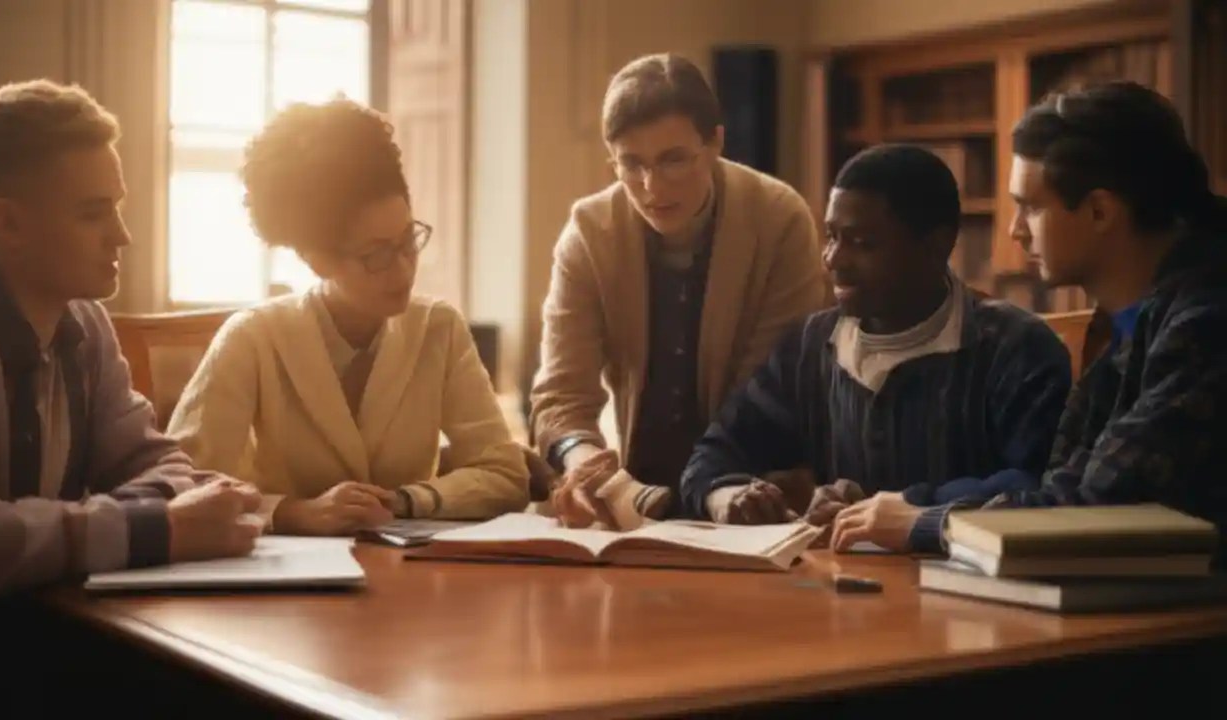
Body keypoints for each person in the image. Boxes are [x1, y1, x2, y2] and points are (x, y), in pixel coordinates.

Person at [866, 81, 1227, 558]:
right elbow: (1064, 480)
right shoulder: (1128, 324)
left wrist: (930, 523)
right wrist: (918, 503)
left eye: (1030, 207)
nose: (1015, 231)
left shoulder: (1204, 322)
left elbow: (1100, 508)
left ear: (1100, 211)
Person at [0, 80, 261, 604]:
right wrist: (158, 528)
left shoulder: (87, 324)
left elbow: (164, 465)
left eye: (116, 208)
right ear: (9, 223)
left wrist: (140, 517)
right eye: (93, 213)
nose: (122, 235)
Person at [680, 144, 1073, 552]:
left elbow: (1041, 485)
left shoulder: (1015, 349)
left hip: (976, 600)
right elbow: (714, 454)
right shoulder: (811, 347)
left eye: (862, 243)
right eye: (831, 236)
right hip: (847, 597)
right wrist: (726, 497)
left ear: (937, 246)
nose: (834, 259)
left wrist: (906, 505)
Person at [166, 97, 529, 535]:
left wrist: (406, 500)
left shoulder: (438, 328)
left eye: (408, 241)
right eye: (375, 255)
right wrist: (293, 513)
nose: (402, 269)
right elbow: (186, 486)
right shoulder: (253, 338)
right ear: (317, 261)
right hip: (282, 585)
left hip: (409, 578)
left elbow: (506, 474)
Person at [529, 53, 832, 530]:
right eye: (631, 164)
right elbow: (560, 396)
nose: (652, 187)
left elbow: (769, 396)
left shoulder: (779, 220)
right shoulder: (590, 232)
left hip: (752, 497)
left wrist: (712, 489)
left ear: (715, 143)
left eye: (673, 160)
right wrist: (581, 460)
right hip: (635, 504)